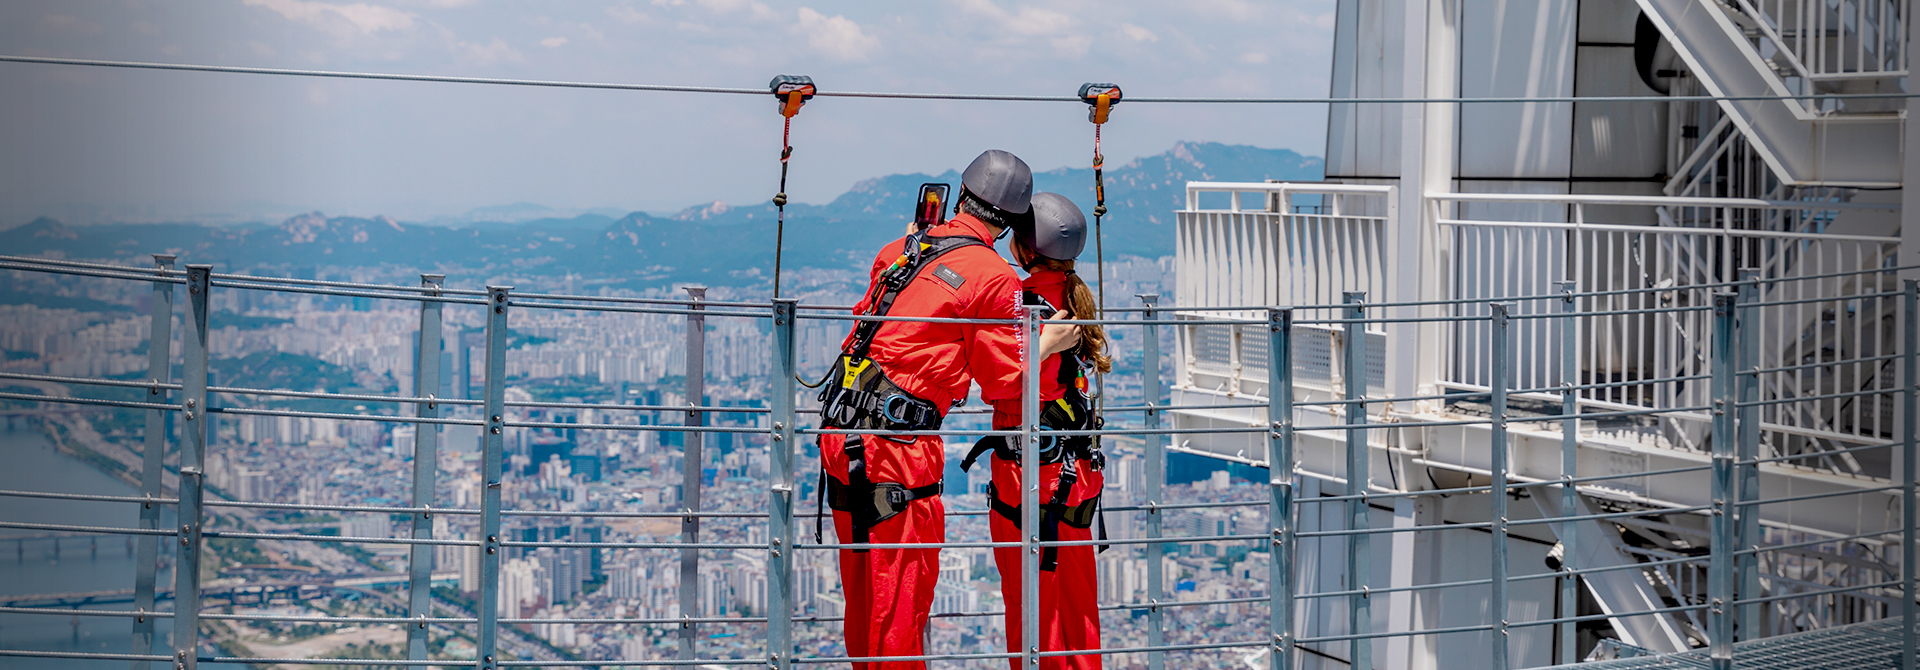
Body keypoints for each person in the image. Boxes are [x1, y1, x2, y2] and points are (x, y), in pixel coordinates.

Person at [815, 150, 1077, 669]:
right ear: (1011, 222)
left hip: (840, 434)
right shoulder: (993, 275)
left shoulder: (899, 248)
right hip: (898, 449)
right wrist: (1045, 343)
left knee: (863, 600)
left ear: (961, 192)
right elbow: (1003, 379)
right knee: (899, 605)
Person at [963, 192, 1111, 670]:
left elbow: (1000, 383)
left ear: (1024, 249)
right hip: (1078, 476)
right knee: (1078, 606)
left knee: (1030, 609)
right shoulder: (1076, 299)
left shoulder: (1017, 303)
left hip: (1027, 477)